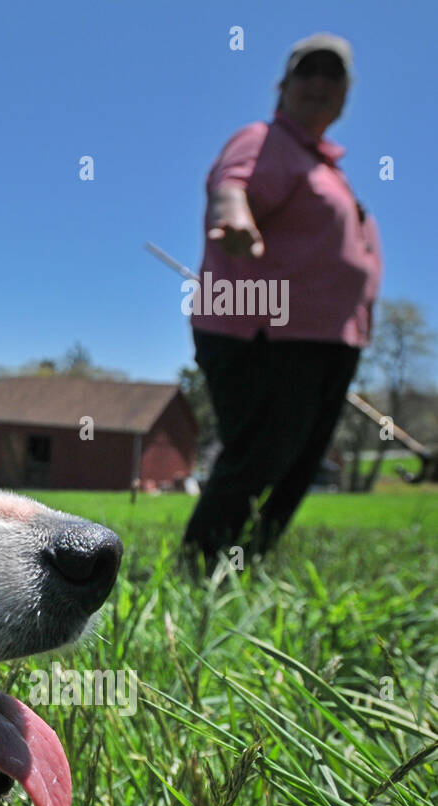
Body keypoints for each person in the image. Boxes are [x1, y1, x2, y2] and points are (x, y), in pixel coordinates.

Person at [182, 33, 383, 563]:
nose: (320, 82)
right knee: (261, 458)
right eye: (308, 71)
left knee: (296, 465)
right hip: (266, 327)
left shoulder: (324, 166)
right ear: (283, 85)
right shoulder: (263, 138)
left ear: (346, 93)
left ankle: (246, 564)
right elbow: (231, 185)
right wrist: (235, 219)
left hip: (326, 339)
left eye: (332, 74)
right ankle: (200, 565)